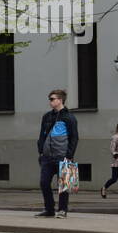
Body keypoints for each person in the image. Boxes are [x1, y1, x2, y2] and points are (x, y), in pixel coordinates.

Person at [37, 89, 79, 219]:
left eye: (52, 99)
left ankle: (62, 210)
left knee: (64, 185)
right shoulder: (47, 116)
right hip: (47, 156)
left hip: (62, 155)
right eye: (49, 99)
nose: (50, 101)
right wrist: (40, 151)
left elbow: (74, 137)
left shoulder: (69, 117)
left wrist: (69, 154)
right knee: (44, 183)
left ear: (60, 100)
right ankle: (49, 209)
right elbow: (42, 134)